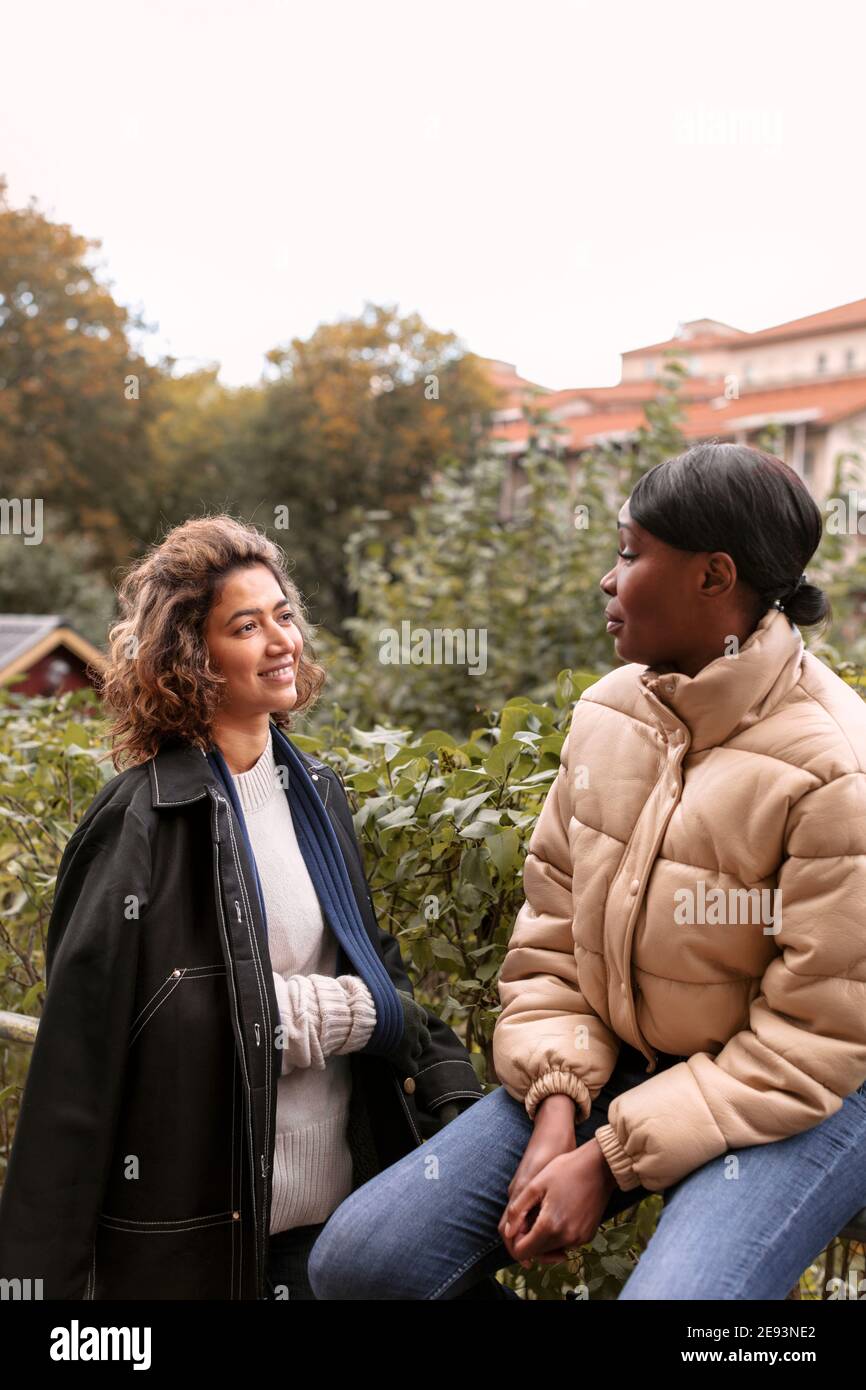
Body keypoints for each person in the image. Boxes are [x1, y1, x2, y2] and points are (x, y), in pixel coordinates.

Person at [306, 442, 866, 1300]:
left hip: (803, 1086)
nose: (610, 579)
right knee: (362, 1263)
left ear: (714, 577)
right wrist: (557, 1105)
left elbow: (814, 1039)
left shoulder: (836, 767)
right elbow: (553, 945)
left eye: (631, 552)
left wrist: (602, 1164)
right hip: (621, 1060)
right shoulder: (607, 714)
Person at [0, 514, 499, 1300]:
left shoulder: (317, 795)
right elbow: (80, 1075)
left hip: (342, 1234)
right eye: (246, 625)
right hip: (207, 1254)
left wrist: (462, 1112)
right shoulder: (136, 824)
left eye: (285, 616)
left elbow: (381, 977)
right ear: (191, 656)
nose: (281, 641)